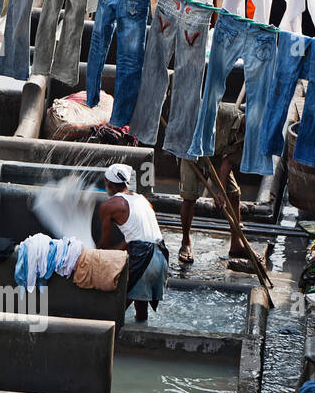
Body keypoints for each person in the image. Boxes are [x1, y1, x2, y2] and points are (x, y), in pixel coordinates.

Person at [98, 163, 168, 321]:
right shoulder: (142, 200)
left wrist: (93, 258)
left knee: (113, 311)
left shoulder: (109, 206)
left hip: (143, 257)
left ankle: (111, 343)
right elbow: (135, 237)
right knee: (141, 308)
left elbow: (104, 244)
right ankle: (141, 337)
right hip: (161, 256)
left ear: (108, 183)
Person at [179, 103, 245, 264]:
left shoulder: (249, 137)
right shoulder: (224, 112)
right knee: (189, 197)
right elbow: (193, 115)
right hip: (192, 148)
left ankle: (236, 242)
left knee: (233, 194)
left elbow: (227, 162)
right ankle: (186, 241)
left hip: (216, 154)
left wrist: (220, 191)